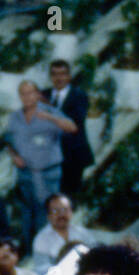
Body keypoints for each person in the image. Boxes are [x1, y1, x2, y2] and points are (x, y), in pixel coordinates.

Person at [6, 80, 78, 252]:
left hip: (47, 173)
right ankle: (28, 246)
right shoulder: (14, 117)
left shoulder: (49, 111)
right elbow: (8, 141)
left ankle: (46, 249)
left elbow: (72, 128)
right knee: (26, 211)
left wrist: (51, 118)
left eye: (30, 92)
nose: (27, 97)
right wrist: (14, 156)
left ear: (37, 94)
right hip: (26, 174)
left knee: (46, 212)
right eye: (23, 93)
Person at [44, 59, 95, 198]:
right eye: (55, 74)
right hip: (48, 157)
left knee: (69, 196)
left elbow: (73, 123)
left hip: (72, 156)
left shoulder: (79, 96)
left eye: (62, 74)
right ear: (50, 77)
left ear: (69, 76)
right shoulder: (43, 95)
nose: (59, 78)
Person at [31, 193, 97, 275]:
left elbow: (96, 254)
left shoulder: (82, 233)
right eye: (55, 211)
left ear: (71, 212)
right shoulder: (41, 240)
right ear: (48, 216)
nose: (61, 214)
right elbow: (42, 271)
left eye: (65, 210)